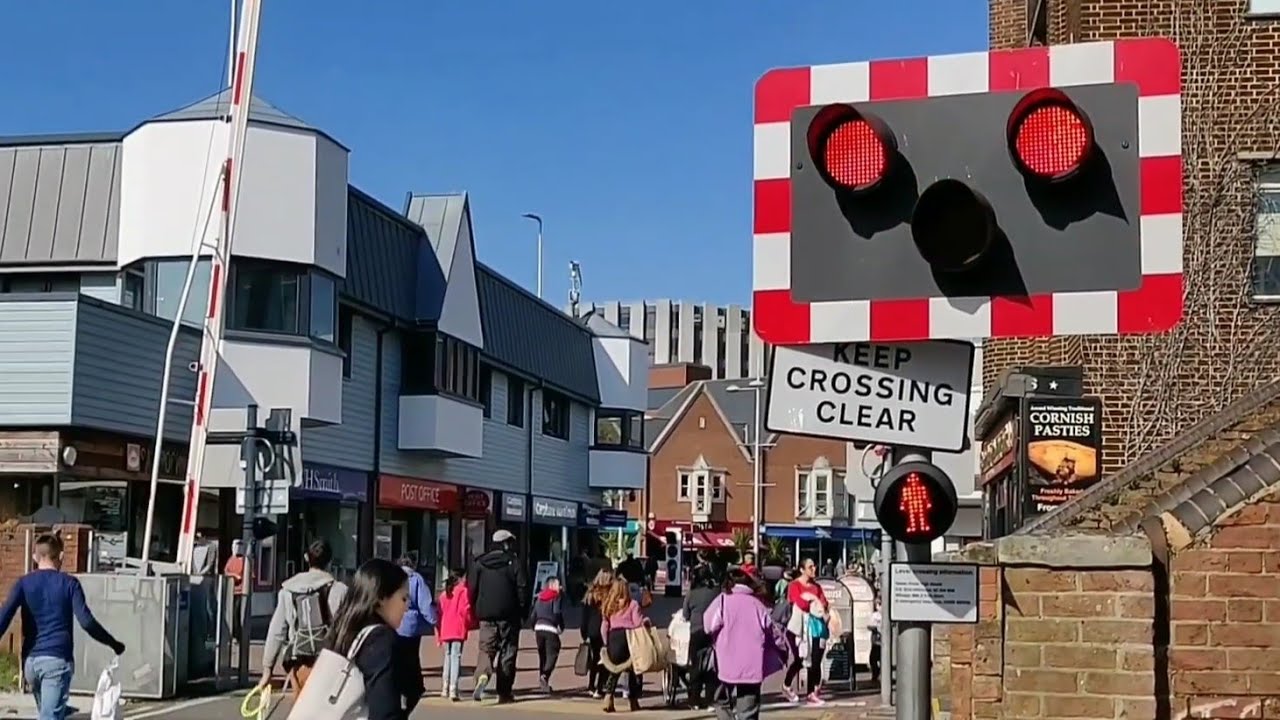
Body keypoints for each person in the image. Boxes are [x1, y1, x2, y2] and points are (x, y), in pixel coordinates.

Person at [0, 533, 125, 720]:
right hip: (56, 662)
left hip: (31, 665)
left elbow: (3, 618)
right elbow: (87, 622)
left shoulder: (23, 584)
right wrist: (113, 643)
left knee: (48, 713)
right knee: (50, 716)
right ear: (61, 557)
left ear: (35, 557)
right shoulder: (69, 584)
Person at [258, 540, 349, 699]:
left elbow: (277, 631)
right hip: (330, 662)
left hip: (299, 661)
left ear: (306, 558)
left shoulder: (287, 590)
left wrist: (267, 670)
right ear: (329, 561)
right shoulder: (340, 590)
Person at [326, 558, 415, 720]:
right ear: (381, 598)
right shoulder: (380, 640)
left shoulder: (342, 632)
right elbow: (384, 711)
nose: (407, 606)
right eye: (403, 598)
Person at [703, 568, 789, 720]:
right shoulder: (758, 605)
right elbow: (774, 632)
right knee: (748, 710)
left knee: (721, 700)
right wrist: (783, 649)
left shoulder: (722, 601)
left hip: (725, 663)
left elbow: (708, 625)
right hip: (752, 665)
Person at [466, 529, 529, 704]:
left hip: (485, 615)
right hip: (509, 614)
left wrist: (475, 608)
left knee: (486, 648)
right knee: (508, 651)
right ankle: (504, 691)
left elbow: (471, 589)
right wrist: (524, 612)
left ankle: (483, 675)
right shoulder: (514, 562)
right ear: (506, 543)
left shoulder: (479, 563)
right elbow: (522, 589)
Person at [394, 552, 438, 712]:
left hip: (393, 623)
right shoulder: (416, 579)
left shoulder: (392, 577)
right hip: (411, 625)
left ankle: (398, 685)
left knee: (396, 656)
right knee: (411, 657)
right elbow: (425, 605)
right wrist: (435, 621)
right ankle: (413, 688)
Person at [783, 558, 829, 706]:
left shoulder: (816, 586)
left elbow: (824, 604)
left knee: (814, 660)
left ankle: (811, 693)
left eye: (814, 566)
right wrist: (813, 601)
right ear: (802, 570)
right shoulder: (794, 585)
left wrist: (814, 600)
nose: (814, 569)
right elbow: (801, 603)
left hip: (815, 627)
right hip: (798, 628)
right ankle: (786, 685)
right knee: (799, 659)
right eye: (810, 567)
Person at [599, 578, 647, 713]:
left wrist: (606, 643)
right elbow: (638, 623)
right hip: (628, 638)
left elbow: (604, 627)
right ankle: (633, 701)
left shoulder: (608, 605)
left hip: (613, 637)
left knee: (614, 670)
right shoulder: (633, 605)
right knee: (633, 670)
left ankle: (608, 698)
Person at [682, 564, 721, 709]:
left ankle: (694, 700)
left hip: (696, 631)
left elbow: (686, 615)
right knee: (712, 667)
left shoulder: (691, 594)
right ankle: (710, 699)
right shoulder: (716, 592)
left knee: (696, 666)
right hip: (713, 632)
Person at [436, 568, 474, 701]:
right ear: (460, 578)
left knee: (447, 657)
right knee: (456, 657)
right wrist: (470, 623)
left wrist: (438, 634)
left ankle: (444, 687)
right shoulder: (462, 591)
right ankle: (453, 688)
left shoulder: (443, 594)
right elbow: (466, 611)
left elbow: (439, 614)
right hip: (458, 628)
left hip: (446, 628)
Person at [530, 576, 565, 694]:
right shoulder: (556, 597)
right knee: (553, 653)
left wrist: (532, 625)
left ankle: (543, 681)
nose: (560, 587)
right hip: (550, 628)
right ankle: (545, 675)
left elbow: (533, 614)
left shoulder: (539, 597)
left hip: (539, 628)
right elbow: (557, 612)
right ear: (553, 585)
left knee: (542, 655)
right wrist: (560, 625)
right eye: (558, 584)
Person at [581, 569, 613, 698]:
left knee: (594, 659)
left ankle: (591, 685)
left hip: (592, 630)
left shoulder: (590, 594)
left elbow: (584, 617)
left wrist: (584, 632)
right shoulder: (609, 595)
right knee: (604, 659)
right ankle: (600, 687)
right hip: (604, 630)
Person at [223, 540, 249, 642]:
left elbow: (249, 575)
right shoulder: (231, 559)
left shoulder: (245, 560)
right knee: (231, 613)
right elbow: (226, 572)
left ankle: (238, 635)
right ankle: (233, 634)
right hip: (231, 591)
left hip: (241, 592)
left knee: (238, 614)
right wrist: (233, 575)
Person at [868, 595, 883, 683]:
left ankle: (881, 674)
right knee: (873, 659)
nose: (878, 607)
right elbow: (869, 625)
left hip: (883, 640)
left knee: (882, 658)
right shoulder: (874, 615)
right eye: (877, 605)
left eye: (880, 604)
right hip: (876, 640)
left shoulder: (886, 614)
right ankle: (875, 674)